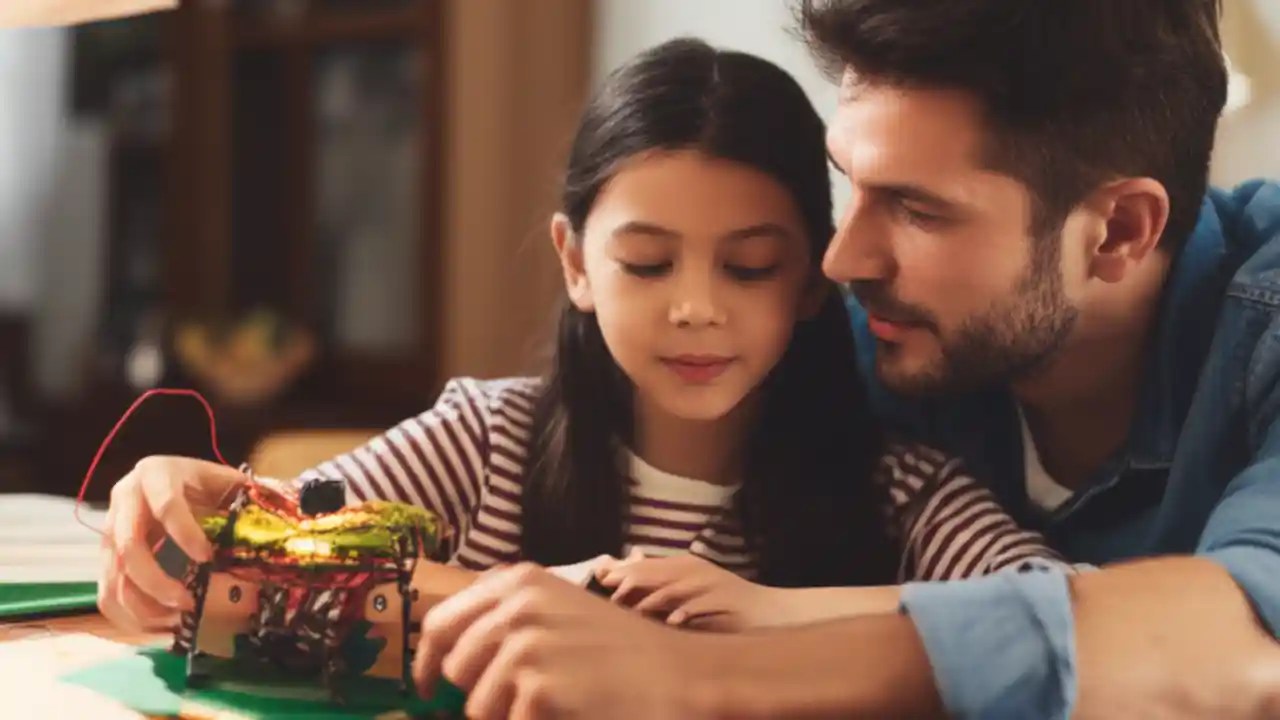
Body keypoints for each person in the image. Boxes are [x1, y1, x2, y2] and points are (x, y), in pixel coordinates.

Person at [407, 2, 1280, 718]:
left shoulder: (1263, 329)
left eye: (917, 209)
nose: (839, 261)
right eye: (848, 184)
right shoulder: (874, 337)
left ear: (1121, 229)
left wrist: (693, 674)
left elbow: (1242, 642)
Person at [98, 39, 1065, 638]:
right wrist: (190, 500)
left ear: (815, 277)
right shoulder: (488, 440)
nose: (695, 309)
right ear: (575, 263)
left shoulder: (899, 496)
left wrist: (776, 615)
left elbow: (1074, 616)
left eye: (750, 266)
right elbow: (271, 549)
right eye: (647, 264)